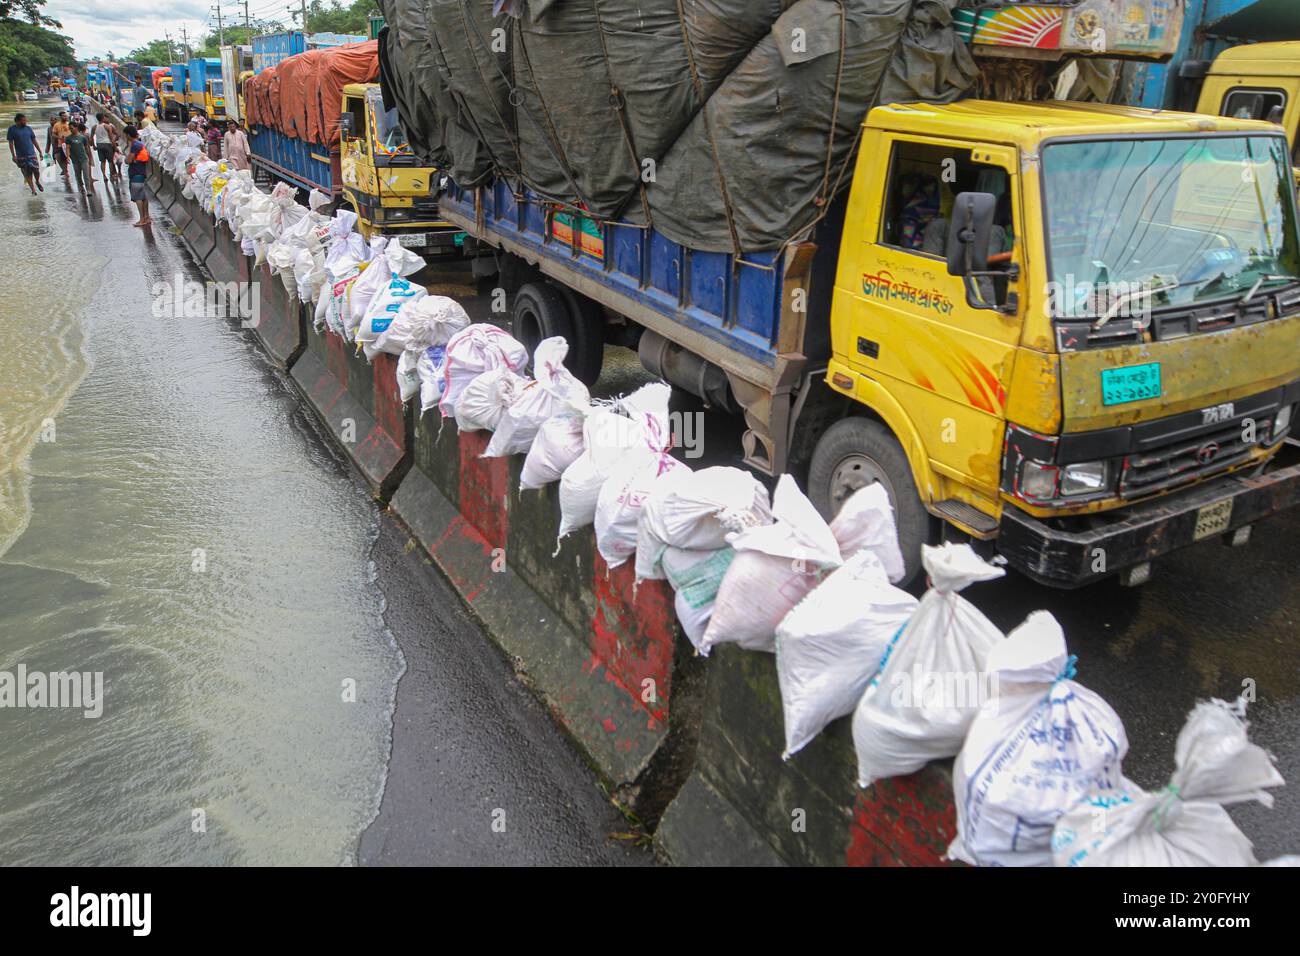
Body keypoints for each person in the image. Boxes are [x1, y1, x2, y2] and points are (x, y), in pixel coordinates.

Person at [7, 113, 43, 195]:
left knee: (36, 170)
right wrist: (13, 156)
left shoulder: (29, 129)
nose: (25, 121)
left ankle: (37, 181)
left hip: (32, 154)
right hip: (21, 156)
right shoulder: (12, 129)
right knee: (27, 173)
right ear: (18, 121)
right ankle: (33, 190)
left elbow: (34, 140)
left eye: (25, 120)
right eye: (23, 120)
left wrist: (40, 151)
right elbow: (11, 143)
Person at [123, 124, 152, 227]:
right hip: (141, 173)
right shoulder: (140, 144)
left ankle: (142, 219)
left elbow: (128, 160)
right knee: (143, 196)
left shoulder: (135, 145)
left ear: (129, 135)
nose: (125, 137)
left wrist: (126, 159)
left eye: (126, 135)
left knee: (138, 197)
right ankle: (147, 217)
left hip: (136, 173)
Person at [65, 121, 94, 191]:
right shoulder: (68, 138)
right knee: (78, 175)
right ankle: (81, 186)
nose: (71, 130)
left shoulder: (83, 137)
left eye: (72, 128)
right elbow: (68, 148)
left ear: (76, 128)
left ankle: (88, 190)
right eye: (70, 129)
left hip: (84, 159)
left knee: (86, 175)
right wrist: (68, 156)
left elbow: (87, 149)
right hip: (75, 160)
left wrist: (90, 159)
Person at [93, 112, 118, 182]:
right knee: (110, 161)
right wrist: (115, 147)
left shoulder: (94, 127)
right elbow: (111, 137)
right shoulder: (107, 126)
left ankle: (104, 176)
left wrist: (94, 145)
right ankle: (111, 175)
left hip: (99, 145)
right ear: (103, 118)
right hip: (107, 144)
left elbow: (91, 137)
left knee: (102, 162)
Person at [47, 110, 70, 178]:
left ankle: (65, 171)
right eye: (50, 120)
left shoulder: (64, 125)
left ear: (56, 120)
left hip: (64, 145)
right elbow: (49, 139)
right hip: (56, 146)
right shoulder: (50, 128)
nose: (51, 122)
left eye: (52, 120)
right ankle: (65, 170)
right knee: (57, 158)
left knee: (64, 158)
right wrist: (47, 150)